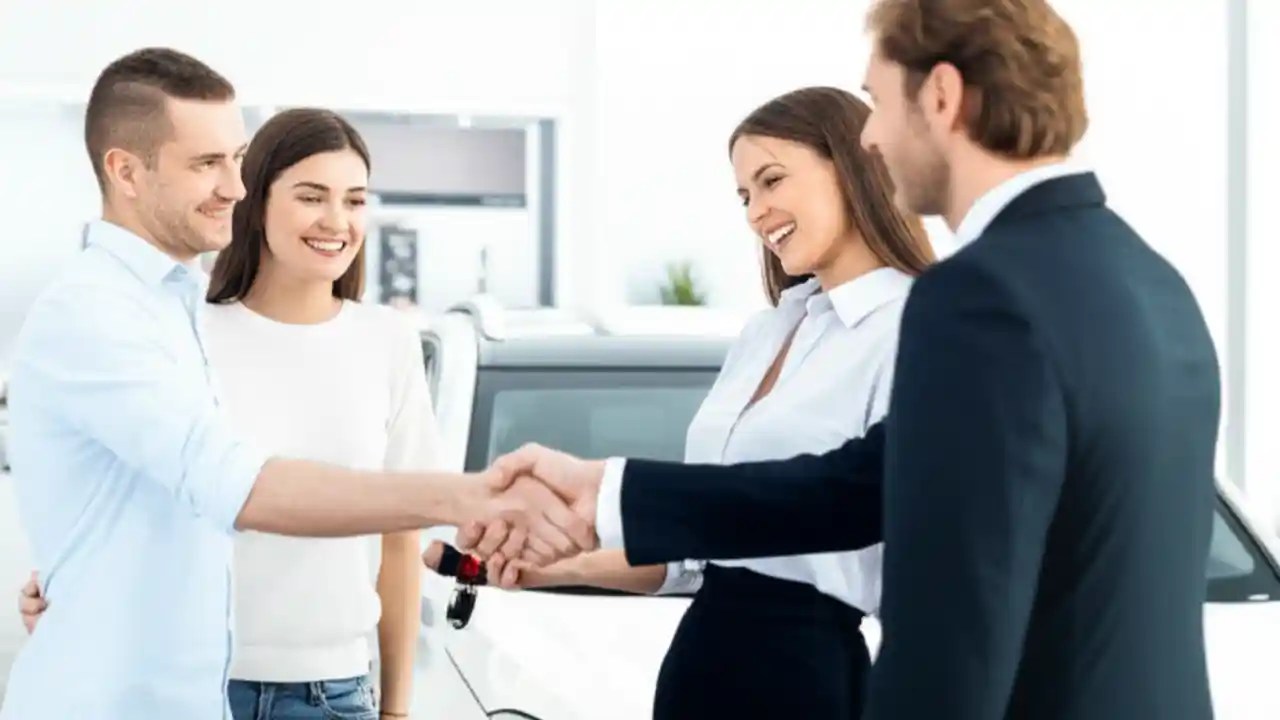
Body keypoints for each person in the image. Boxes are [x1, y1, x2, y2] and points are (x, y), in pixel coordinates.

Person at [465, 1, 1223, 718]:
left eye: (877, 101)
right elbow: (863, 488)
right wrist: (602, 494)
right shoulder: (1155, 283)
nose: (869, 137)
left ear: (942, 97)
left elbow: (949, 614)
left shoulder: (979, 296)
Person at [1, 48, 588, 720]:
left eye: (235, 158)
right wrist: (469, 495)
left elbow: (142, 500)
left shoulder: (177, 305)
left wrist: (75, 566)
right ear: (125, 171)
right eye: (207, 163)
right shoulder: (106, 314)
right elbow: (237, 486)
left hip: (281, 689)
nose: (234, 186)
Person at [428, 87, 934, 719]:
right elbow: (698, 559)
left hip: (804, 679)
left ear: (851, 166)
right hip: (701, 658)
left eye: (772, 180)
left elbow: (868, 509)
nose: (756, 212)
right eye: (745, 195)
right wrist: (549, 566)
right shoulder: (767, 331)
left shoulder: (918, 325)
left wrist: (602, 494)